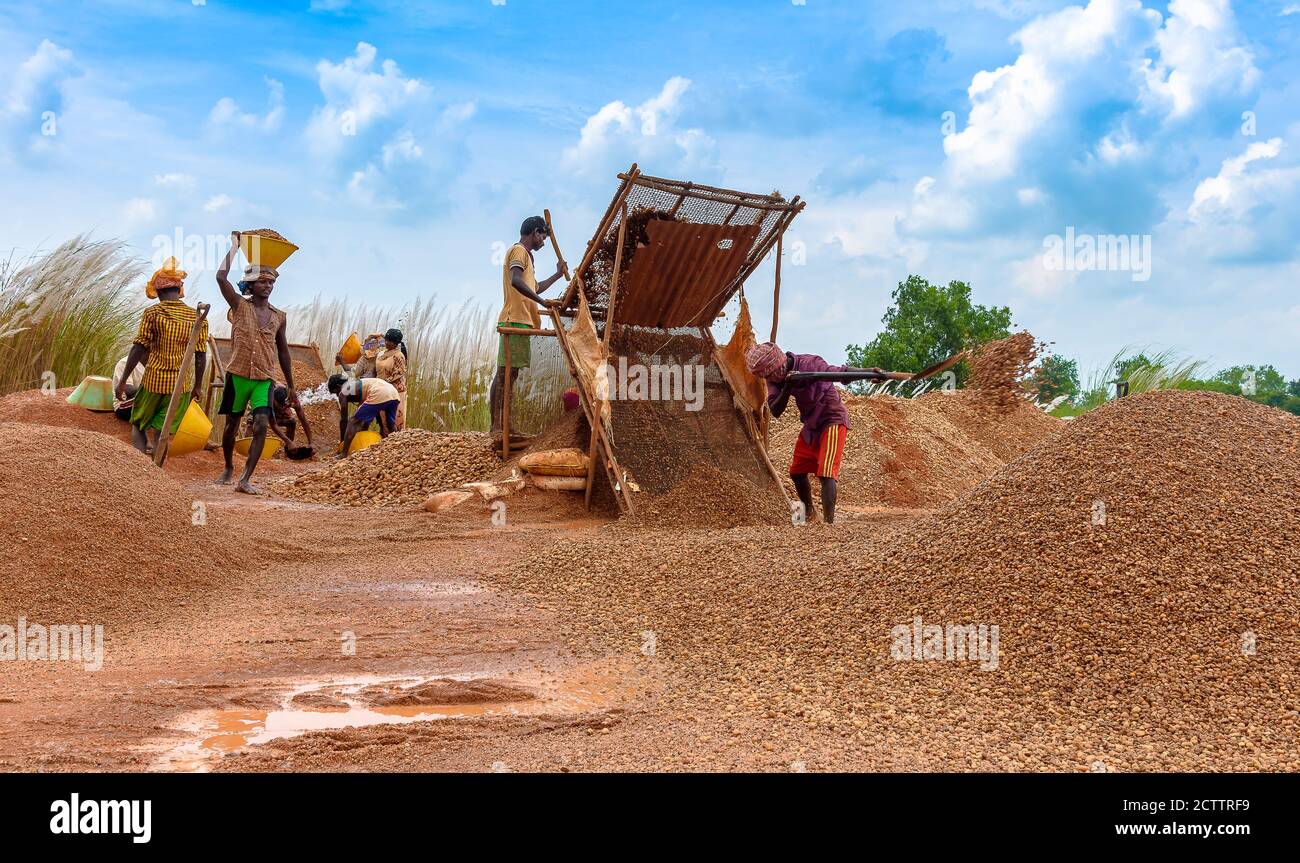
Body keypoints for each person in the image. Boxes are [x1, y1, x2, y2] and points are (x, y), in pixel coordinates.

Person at [746, 342, 881, 525]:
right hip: (811, 425)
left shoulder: (810, 364)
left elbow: (840, 373)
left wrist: (869, 373)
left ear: (780, 364)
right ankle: (809, 514)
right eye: (768, 376)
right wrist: (787, 386)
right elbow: (775, 410)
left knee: (826, 473)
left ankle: (828, 524)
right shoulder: (776, 380)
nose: (771, 378)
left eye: (771, 374)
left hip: (832, 418)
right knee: (797, 472)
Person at [215, 231, 295, 494]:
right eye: (261, 282)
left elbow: (283, 352)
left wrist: (291, 386)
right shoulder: (239, 305)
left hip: (263, 379)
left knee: (261, 424)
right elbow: (220, 277)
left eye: (270, 283)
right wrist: (235, 247)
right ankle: (228, 466)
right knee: (231, 426)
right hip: (237, 376)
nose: (267, 286)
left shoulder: (279, 317)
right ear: (250, 285)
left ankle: (245, 478)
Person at [114, 258, 207, 455]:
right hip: (181, 387)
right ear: (178, 290)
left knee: (139, 423)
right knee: (162, 432)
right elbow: (200, 356)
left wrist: (122, 381)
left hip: (154, 382)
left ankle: (139, 470)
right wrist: (198, 385)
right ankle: (156, 474)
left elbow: (139, 347)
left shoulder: (153, 313)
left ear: (159, 292)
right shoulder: (196, 318)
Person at [490, 215, 565, 435]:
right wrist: (542, 303)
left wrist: (558, 275)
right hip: (515, 319)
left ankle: (503, 426)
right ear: (535, 232)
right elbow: (516, 280)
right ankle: (498, 428)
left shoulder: (527, 258)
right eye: (543, 236)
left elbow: (535, 287)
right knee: (505, 374)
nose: (543, 241)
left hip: (523, 321)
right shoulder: (519, 251)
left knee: (509, 375)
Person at [328, 373, 400, 456]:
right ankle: (397, 448)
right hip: (394, 393)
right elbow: (376, 406)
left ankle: (343, 454)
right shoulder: (358, 385)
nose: (337, 395)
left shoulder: (344, 391)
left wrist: (342, 443)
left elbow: (344, 420)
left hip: (379, 392)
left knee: (352, 421)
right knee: (390, 424)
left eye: (335, 392)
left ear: (338, 386)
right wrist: (381, 425)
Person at [375, 327, 408, 430]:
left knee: (395, 420)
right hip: (382, 389)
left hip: (396, 391)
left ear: (396, 343)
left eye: (390, 341)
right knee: (382, 419)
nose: (387, 343)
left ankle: (395, 442)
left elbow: (399, 373)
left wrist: (384, 382)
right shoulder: (381, 354)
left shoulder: (399, 355)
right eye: (386, 340)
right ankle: (384, 440)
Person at [112, 352, 145, 423]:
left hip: (142, 402)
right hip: (124, 404)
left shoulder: (154, 365)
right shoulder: (124, 363)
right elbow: (128, 390)